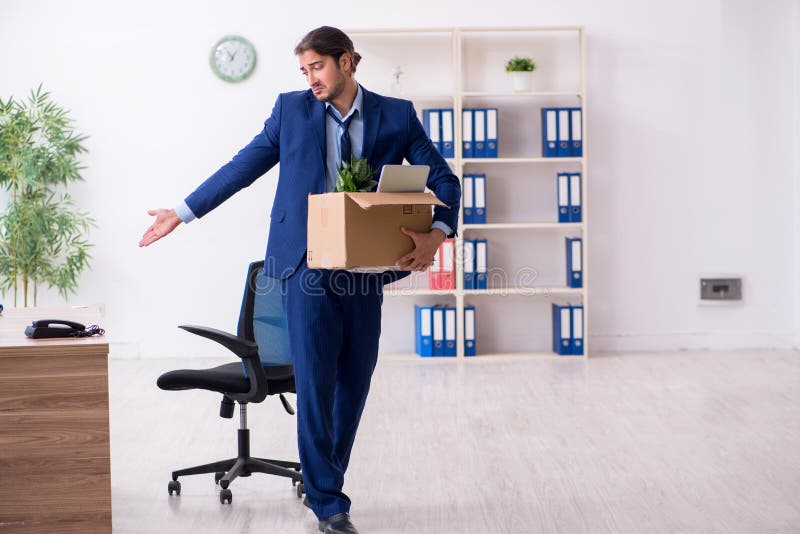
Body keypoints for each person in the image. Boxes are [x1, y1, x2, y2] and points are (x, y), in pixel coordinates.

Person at [139, 26, 460, 534]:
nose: (311, 78)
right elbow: (241, 168)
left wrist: (438, 233)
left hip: (365, 269)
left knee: (354, 382)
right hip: (304, 269)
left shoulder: (396, 116)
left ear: (348, 61)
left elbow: (444, 180)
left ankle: (323, 480)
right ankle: (330, 503)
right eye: (305, 69)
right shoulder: (290, 111)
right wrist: (182, 212)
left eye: (319, 67)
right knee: (315, 385)